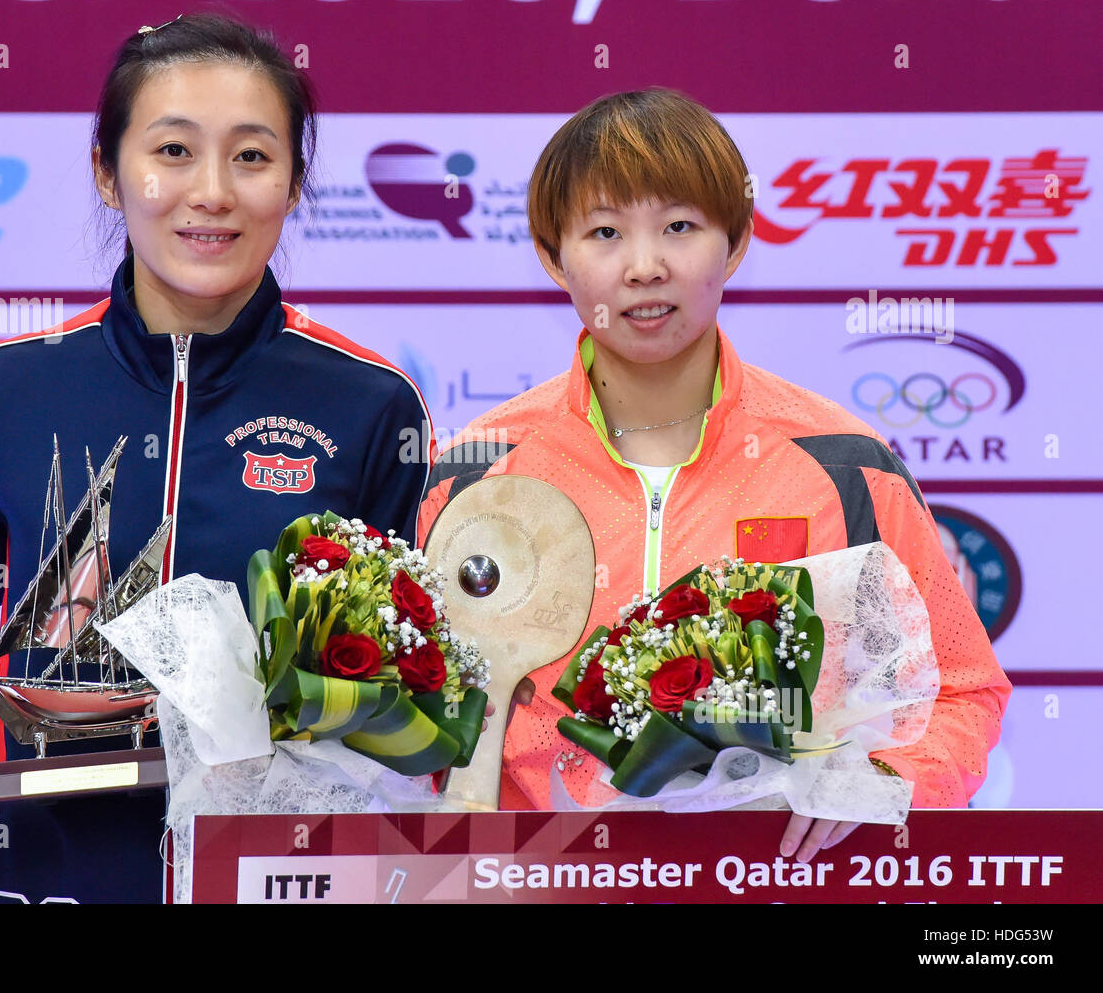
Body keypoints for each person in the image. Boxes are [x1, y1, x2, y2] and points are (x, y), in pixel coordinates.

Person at [0, 13, 433, 903]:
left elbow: (420, 674)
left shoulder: (371, 404)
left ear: (294, 183)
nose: (211, 192)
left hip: (290, 882)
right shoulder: (2, 390)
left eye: (251, 156)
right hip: (50, 878)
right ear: (108, 175)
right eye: (172, 151)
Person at [417, 89, 1011, 862]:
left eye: (679, 227)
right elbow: (424, 724)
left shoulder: (845, 463)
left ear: (735, 244)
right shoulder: (475, 471)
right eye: (604, 232)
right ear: (550, 255)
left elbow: (963, 689)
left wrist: (885, 779)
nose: (644, 266)